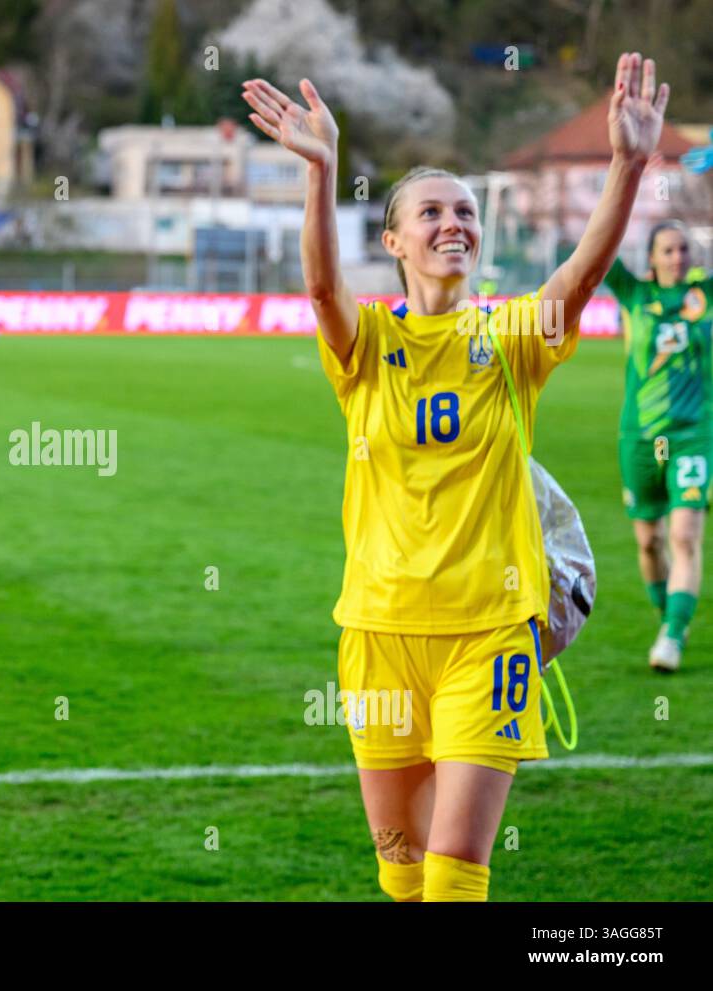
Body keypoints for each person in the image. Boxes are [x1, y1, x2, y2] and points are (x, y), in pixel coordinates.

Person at [243, 51, 669, 901]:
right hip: (379, 631)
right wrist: (321, 172)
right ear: (394, 240)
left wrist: (628, 163)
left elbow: (581, 276)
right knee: (400, 873)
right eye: (431, 212)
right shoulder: (369, 347)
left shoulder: (513, 339)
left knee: (453, 873)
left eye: (466, 212)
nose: (454, 224)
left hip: (490, 633)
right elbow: (324, 288)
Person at [606, 220, 713, 671]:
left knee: (684, 534)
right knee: (649, 543)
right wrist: (628, 168)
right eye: (667, 250)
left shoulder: (705, 295)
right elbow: (599, 241)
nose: (677, 258)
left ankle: (671, 637)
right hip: (641, 437)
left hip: (693, 435)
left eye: (683, 250)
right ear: (650, 257)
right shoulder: (633, 294)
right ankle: (669, 615)